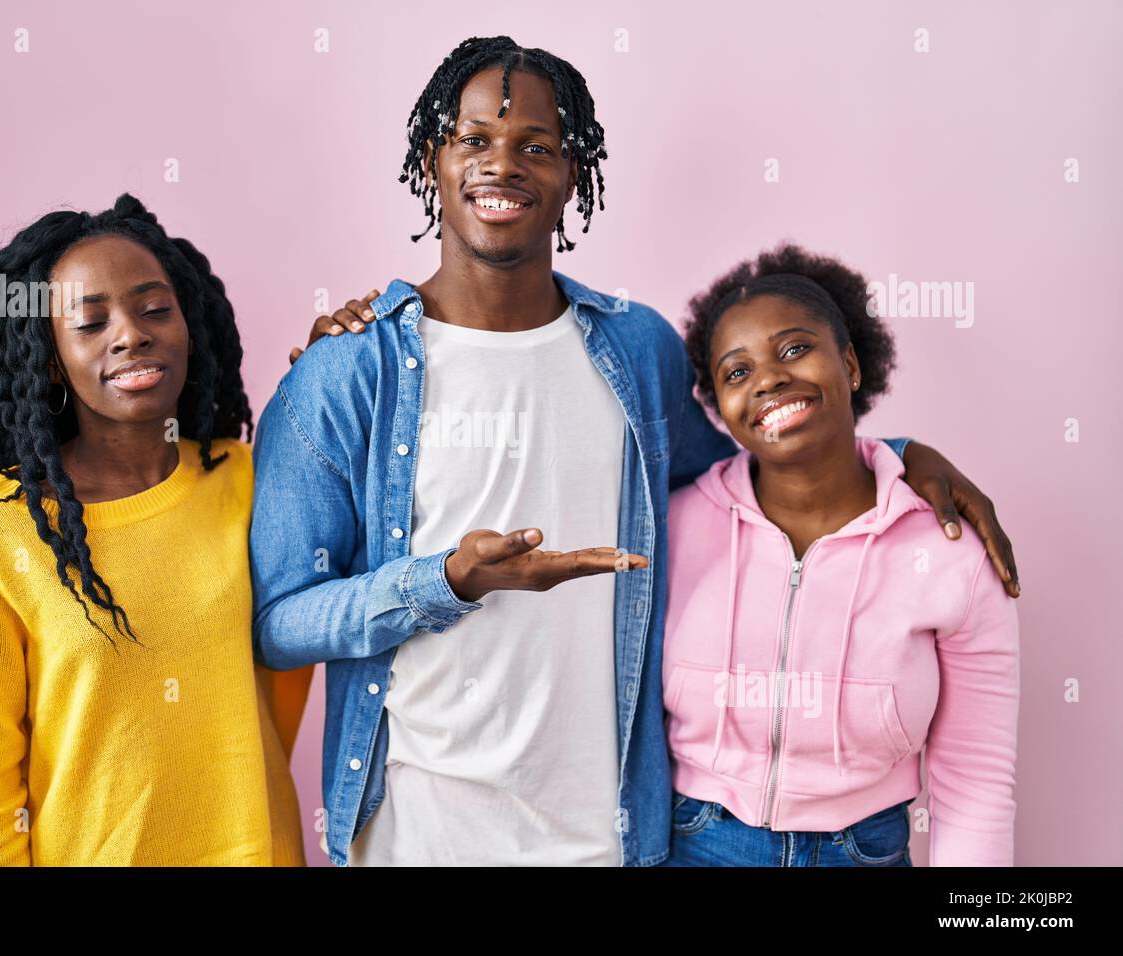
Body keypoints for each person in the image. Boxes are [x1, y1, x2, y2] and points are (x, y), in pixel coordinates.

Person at [258, 36, 1019, 867]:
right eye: (472, 140)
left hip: (608, 838)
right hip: (412, 837)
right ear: (432, 160)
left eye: (536, 147)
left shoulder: (636, 352)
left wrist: (900, 454)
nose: (501, 164)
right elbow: (279, 623)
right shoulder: (344, 377)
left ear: (571, 178)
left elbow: (753, 458)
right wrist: (441, 583)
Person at [0, 194, 312, 865]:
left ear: (188, 326)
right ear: (50, 360)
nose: (130, 334)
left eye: (154, 308)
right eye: (90, 322)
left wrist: (345, 367)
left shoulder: (251, 482)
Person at [659, 243, 1019, 866]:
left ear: (850, 364)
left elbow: (976, 781)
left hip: (864, 850)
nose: (769, 379)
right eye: (737, 372)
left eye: (795, 349)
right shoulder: (674, 525)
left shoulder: (950, 546)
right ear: (720, 407)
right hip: (695, 842)